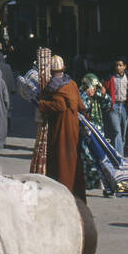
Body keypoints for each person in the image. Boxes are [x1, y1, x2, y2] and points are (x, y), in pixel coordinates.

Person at [37, 55, 86, 198]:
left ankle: (64, 193)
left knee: (62, 162)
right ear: (63, 69)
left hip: (61, 130)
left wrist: (42, 104)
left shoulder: (55, 87)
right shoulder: (72, 84)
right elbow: (81, 105)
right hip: (73, 129)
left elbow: (60, 105)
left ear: (51, 72)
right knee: (73, 162)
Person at [78, 72, 112, 194]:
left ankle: (107, 187)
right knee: (87, 158)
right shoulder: (81, 95)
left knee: (101, 158)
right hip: (85, 131)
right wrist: (86, 96)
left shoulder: (98, 96)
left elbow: (107, 106)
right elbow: (81, 108)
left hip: (99, 132)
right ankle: (86, 185)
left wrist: (104, 95)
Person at [104, 58, 128, 157]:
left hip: (125, 107)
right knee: (117, 131)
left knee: (123, 133)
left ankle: (119, 152)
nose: (118, 67)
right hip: (114, 106)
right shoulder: (110, 77)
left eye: (120, 65)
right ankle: (119, 157)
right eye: (116, 65)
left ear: (124, 67)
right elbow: (104, 87)